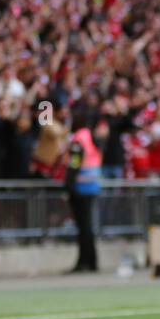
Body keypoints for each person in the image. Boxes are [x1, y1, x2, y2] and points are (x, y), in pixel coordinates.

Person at [65, 106, 101, 274]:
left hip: (80, 188)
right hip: (92, 185)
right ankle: (91, 261)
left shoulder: (78, 139)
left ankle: (85, 262)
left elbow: (74, 163)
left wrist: (68, 184)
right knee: (88, 226)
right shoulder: (91, 136)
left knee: (84, 227)